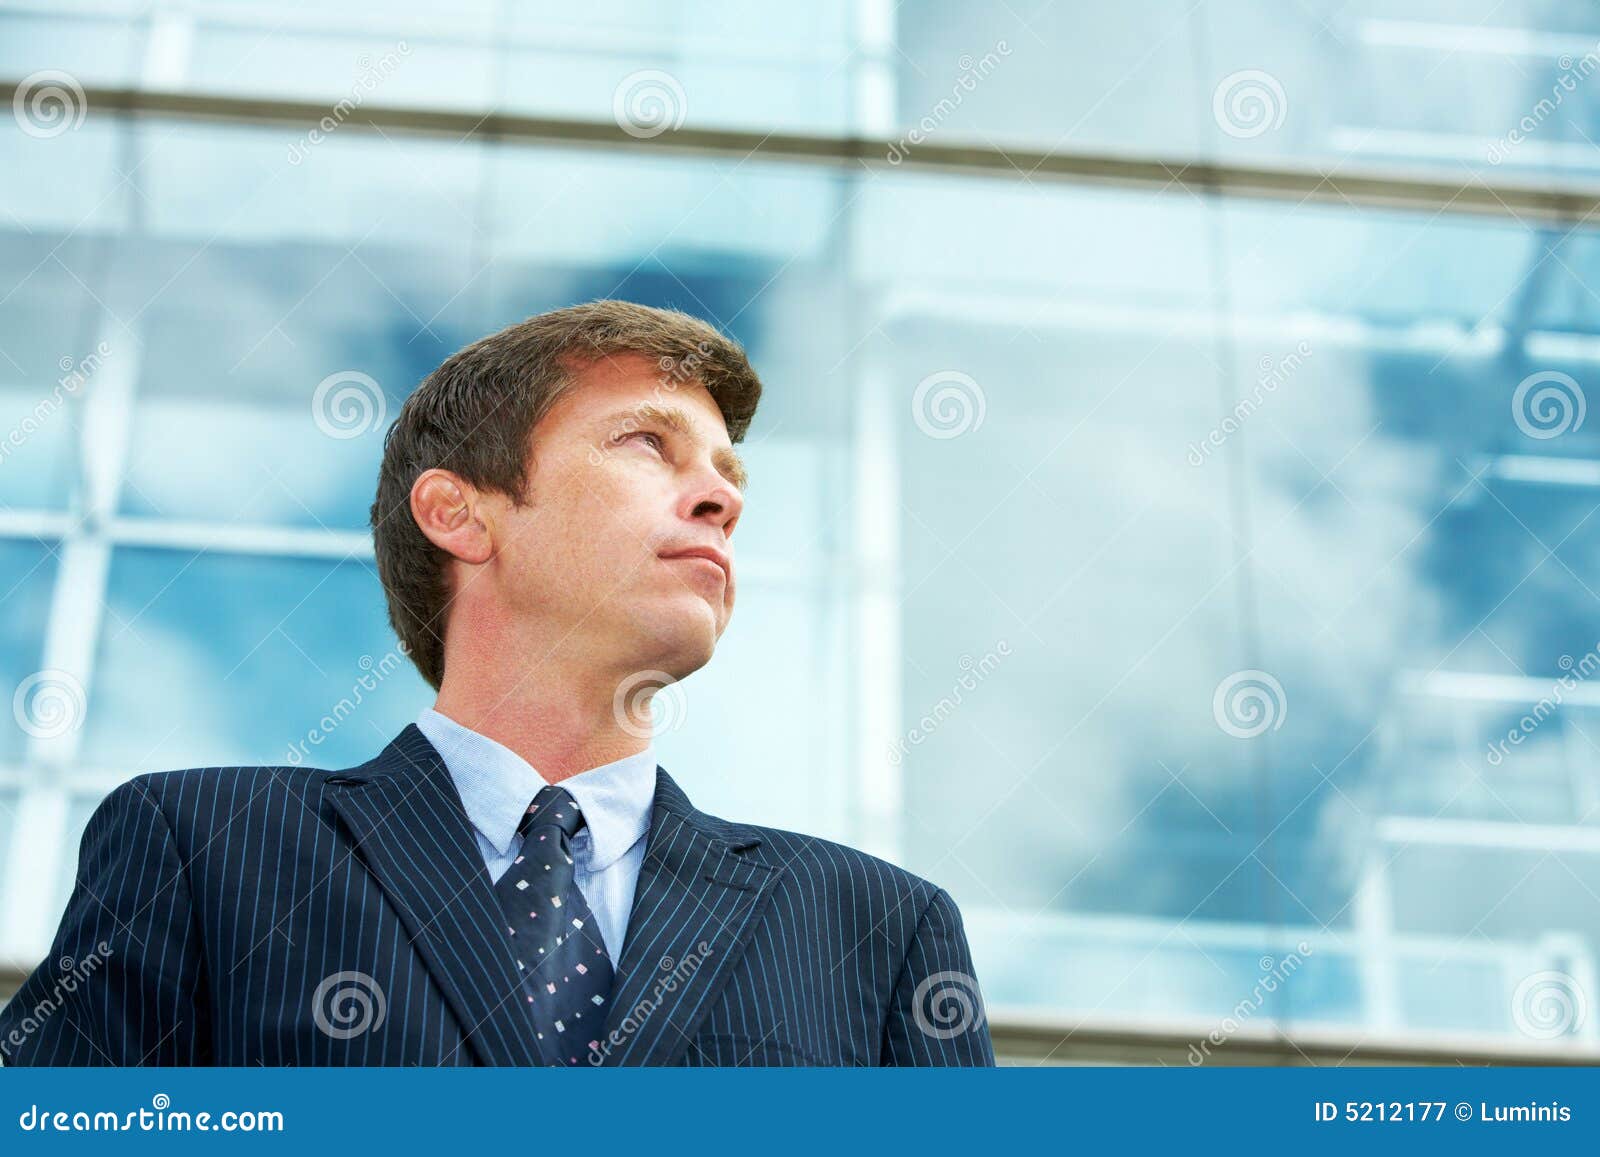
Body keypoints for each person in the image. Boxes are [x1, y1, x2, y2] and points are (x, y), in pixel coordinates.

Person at [0, 300, 994, 1067]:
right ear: (460, 514)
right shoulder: (204, 848)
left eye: (730, 474)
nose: (721, 497)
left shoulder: (876, 930)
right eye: (647, 443)